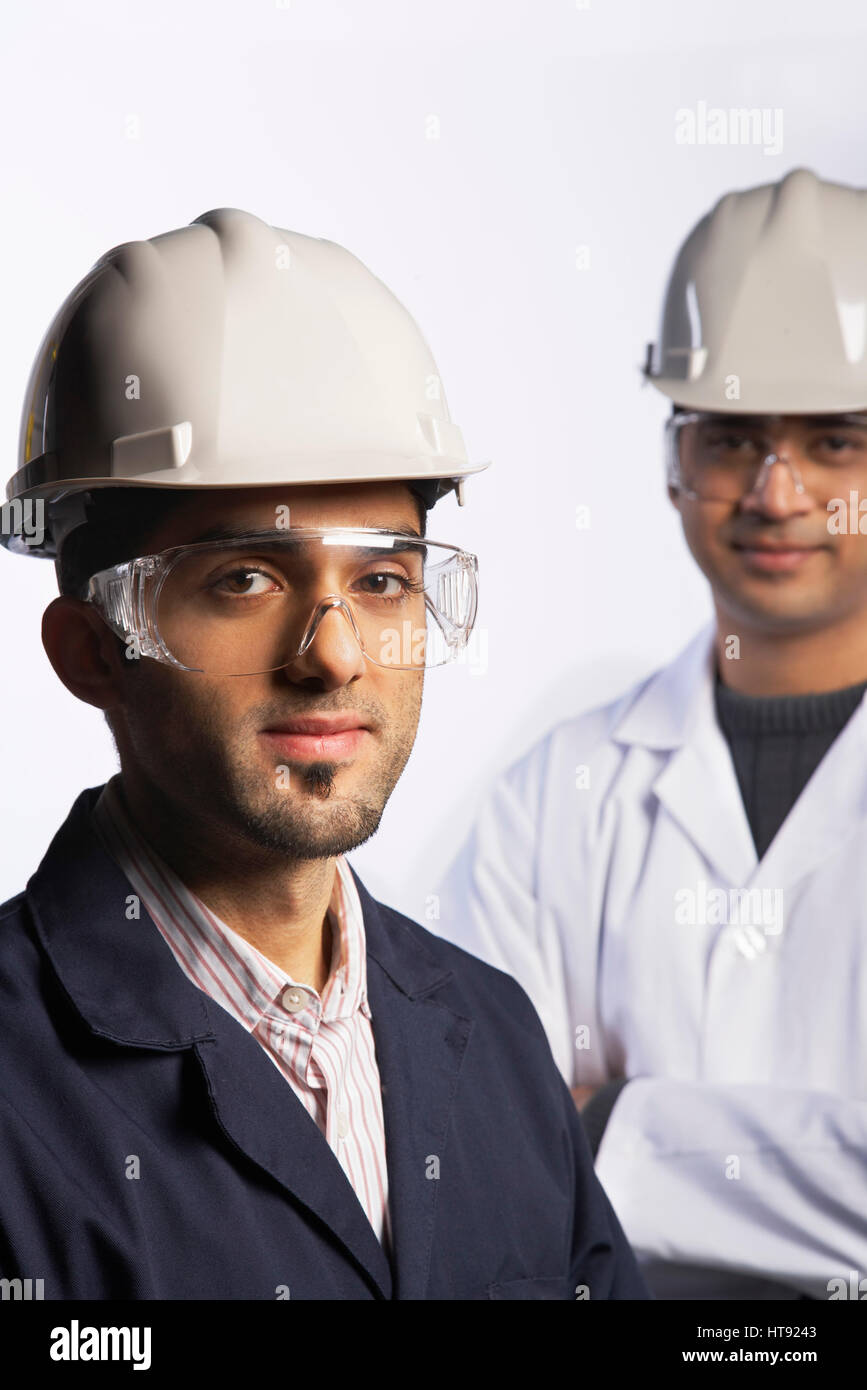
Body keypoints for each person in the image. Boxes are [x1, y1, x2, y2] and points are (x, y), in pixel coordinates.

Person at [0, 208, 647, 1301]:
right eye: (245, 578)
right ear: (93, 652)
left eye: (383, 580)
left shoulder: (490, 1037)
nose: (335, 653)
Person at [435, 167, 867, 1300]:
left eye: (834, 441)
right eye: (728, 440)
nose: (775, 493)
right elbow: (481, 1158)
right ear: (674, 464)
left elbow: (559, 1146)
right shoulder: (555, 794)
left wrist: (621, 1124)